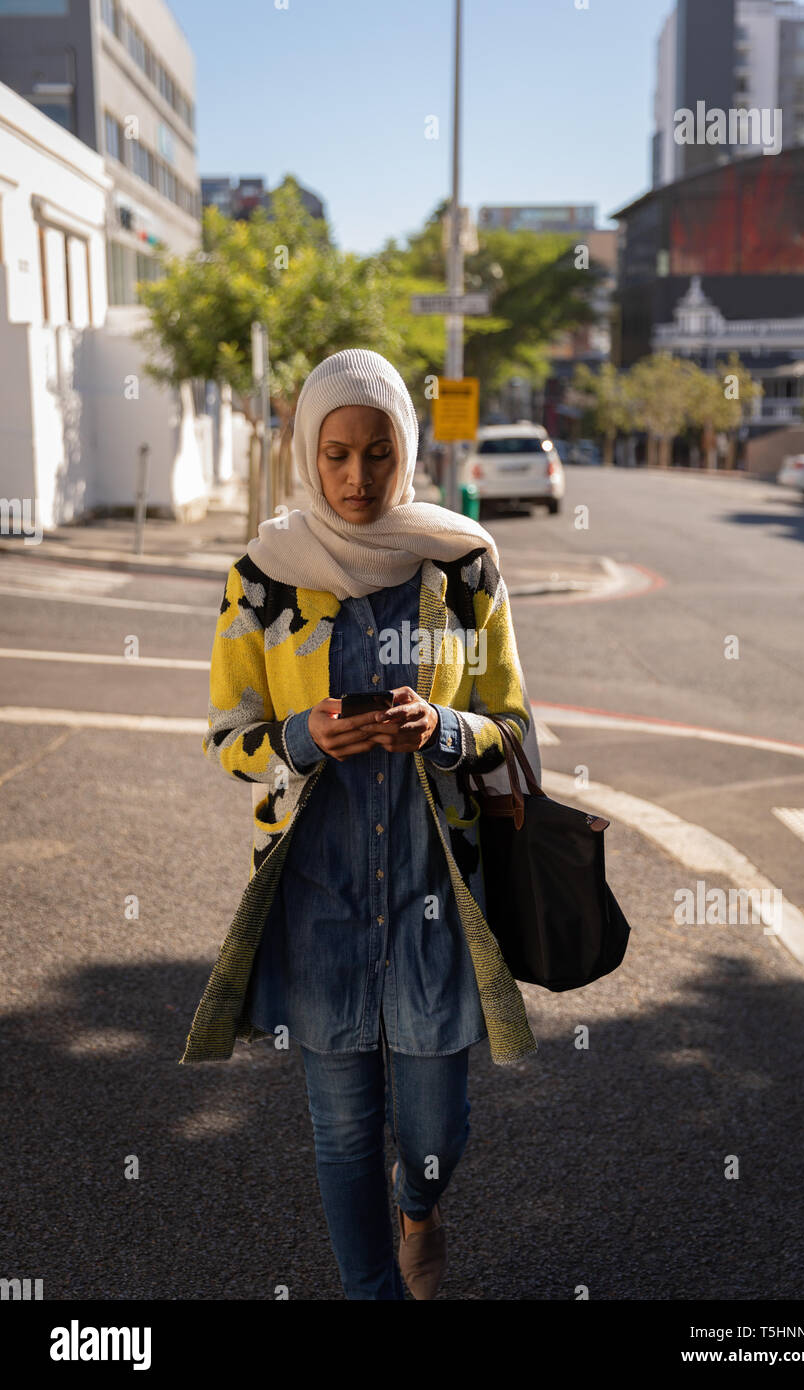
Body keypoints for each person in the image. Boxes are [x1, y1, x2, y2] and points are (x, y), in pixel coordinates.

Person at [181, 347, 539, 1300]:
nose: (355, 477)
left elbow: (513, 726)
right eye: (335, 453)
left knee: (435, 1133)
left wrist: (446, 726)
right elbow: (228, 738)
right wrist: (303, 735)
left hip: (434, 894)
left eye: (378, 453)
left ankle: (420, 1208)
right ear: (308, 449)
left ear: (405, 449)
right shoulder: (262, 578)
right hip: (320, 897)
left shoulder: (462, 565)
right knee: (340, 1130)